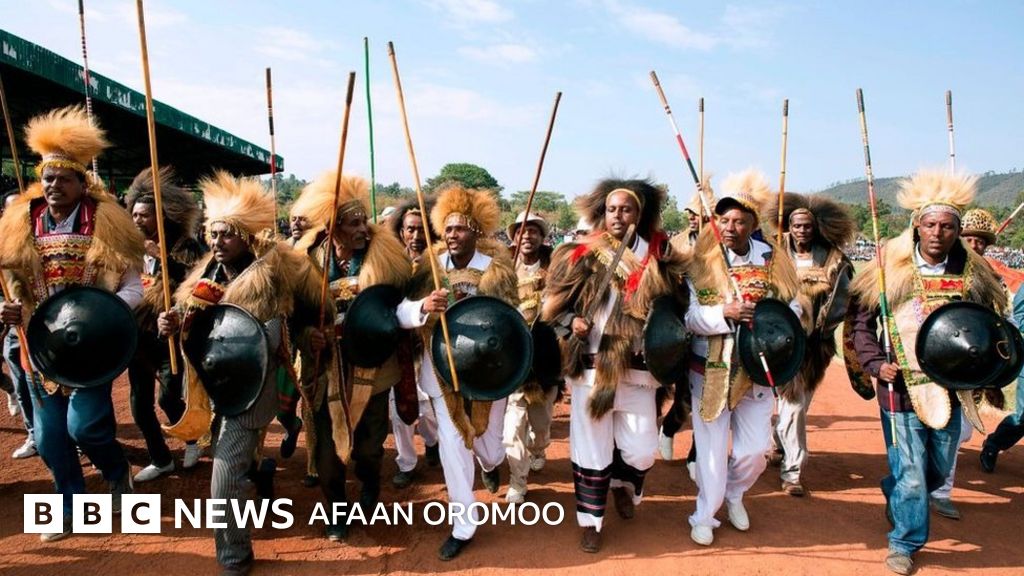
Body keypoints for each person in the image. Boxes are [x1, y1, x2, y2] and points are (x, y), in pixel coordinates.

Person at [158, 172, 323, 576]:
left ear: (247, 238)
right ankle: (260, 474)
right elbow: (189, 317)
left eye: (227, 235)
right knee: (234, 457)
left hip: (252, 390)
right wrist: (172, 321)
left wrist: (303, 335)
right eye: (213, 235)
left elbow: (301, 321)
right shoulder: (206, 276)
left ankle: (233, 555)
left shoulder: (275, 276)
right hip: (213, 386)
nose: (217, 242)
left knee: (224, 473)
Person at [845, 171, 1005, 575]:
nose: (938, 233)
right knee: (914, 475)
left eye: (947, 226)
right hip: (899, 387)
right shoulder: (887, 269)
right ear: (917, 224)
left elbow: (989, 325)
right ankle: (904, 542)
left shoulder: (973, 274)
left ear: (957, 230)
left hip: (951, 389)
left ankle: (896, 489)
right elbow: (860, 324)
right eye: (931, 224)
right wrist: (875, 363)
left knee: (935, 470)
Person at [0, 106, 144, 541]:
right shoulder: (18, 225)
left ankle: (117, 471)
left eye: (64, 179)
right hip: (40, 348)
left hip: (92, 349)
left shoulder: (108, 223)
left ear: (83, 183)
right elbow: (8, 287)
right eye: (48, 178)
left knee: (85, 427)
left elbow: (133, 286)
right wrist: (7, 309)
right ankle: (71, 508)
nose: (54, 186)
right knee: (49, 439)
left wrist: (105, 314)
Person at [543, 178, 686, 553]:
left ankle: (623, 484)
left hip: (639, 372)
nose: (618, 215)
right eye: (611, 209)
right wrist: (572, 321)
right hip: (592, 370)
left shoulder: (661, 258)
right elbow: (554, 309)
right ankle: (591, 520)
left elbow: (677, 312)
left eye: (626, 209)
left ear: (640, 214)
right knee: (591, 449)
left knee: (641, 449)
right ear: (602, 214)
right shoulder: (581, 254)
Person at [681, 170, 805, 547]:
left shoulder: (773, 260)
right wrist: (725, 314)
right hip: (711, 370)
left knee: (755, 451)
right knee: (711, 450)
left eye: (738, 221)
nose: (730, 228)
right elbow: (689, 319)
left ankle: (734, 494)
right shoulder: (699, 263)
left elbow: (793, 307)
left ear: (752, 225)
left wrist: (771, 320)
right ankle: (705, 514)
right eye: (724, 220)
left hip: (758, 370)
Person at [396, 184, 518, 560]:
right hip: (443, 374)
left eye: (460, 228)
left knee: (489, 448)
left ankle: (490, 463)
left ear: (475, 232)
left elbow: (513, 319)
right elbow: (401, 312)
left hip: (487, 376)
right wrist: (423, 306)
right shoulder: (428, 267)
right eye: (447, 229)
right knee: (453, 447)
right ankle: (463, 525)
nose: (452, 235)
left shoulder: (496, 270)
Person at [291, 171, 412, 540]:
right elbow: (294, 317)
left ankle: (370, 484)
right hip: (325, 369)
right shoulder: (307, 261)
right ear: (333, 228)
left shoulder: (385, 259)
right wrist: (308, 336)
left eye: (364, 221)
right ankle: (336, 509)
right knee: (327, 452)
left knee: (370, 448)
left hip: (372, 368)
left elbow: (397, 308)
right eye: (353, 223)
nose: (363, 229)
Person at [763, 193, 855, 496]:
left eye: (807, 226)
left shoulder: (833, 260)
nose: (801, 231)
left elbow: (842, 300)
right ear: (788, 227)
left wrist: (821, 322)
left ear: (816, 228)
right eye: (796, 225)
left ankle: (779, 442)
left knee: (800, 405)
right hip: (780, 345)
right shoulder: (775, 256)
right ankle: (792, 471)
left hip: (815, 347)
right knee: (793, 405)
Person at [124, 167, 204, 481]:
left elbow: (199, 286)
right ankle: (161, 459)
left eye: (144, 215)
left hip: (171, 337)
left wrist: (162, 256)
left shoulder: (186, 247)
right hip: (137, 337)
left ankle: (192, 439)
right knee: (139, 404)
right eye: (134, 215)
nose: (137, 221)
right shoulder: (128, 250)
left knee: (168, 398)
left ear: (162, 217)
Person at [503, 211, 558, 504]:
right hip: (514, 361)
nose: (527, 236)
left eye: (533, 231)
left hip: (546, 359)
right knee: (513, 427)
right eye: (522, 231)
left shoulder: (556, 269)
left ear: (542, 237)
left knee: (541, 426)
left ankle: (538, 449)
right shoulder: (503, 269)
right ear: (514, 237)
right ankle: (518, 481)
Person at [387, 198, 440, 489]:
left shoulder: (439, 264)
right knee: (401, 411)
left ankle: (432, 442)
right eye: (410, 229)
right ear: (402, 231)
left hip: (431, 346)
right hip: (399, 349)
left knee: (430, 408)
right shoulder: (391, 263)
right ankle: (406, 463)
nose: (416, 235)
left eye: (422, 229)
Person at [1, 187, 38, 459]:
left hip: (45, 329)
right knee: (22, 386)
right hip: (13, 331)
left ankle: (76, 438)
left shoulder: (44, 241)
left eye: (21, 209)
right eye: (10, 209)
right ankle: (34, 435)